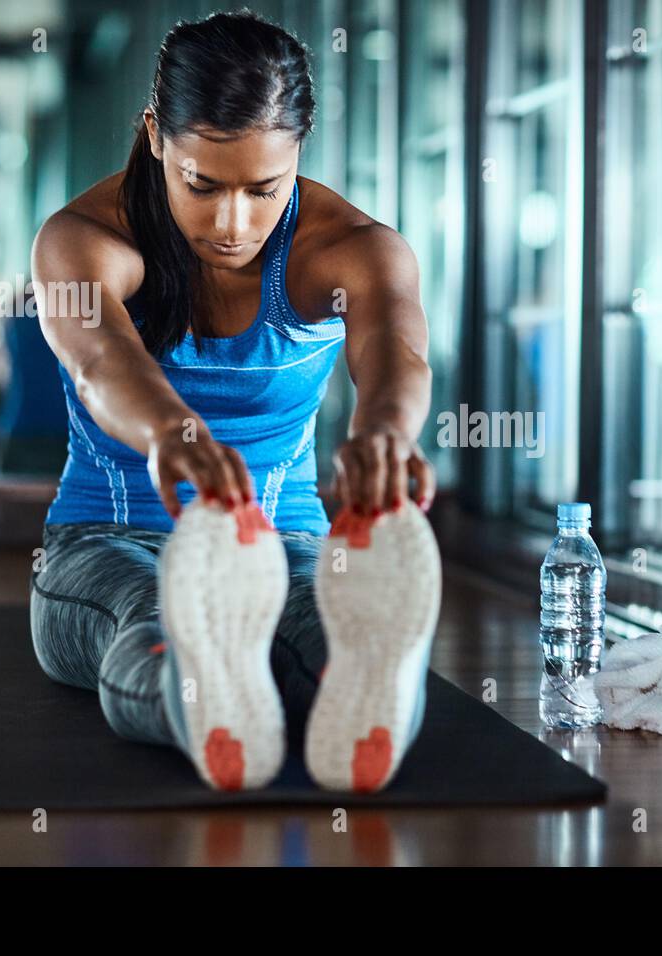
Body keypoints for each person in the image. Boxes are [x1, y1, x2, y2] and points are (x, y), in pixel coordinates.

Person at [27, 10, 439, 793]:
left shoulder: (349, 248)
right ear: (156, 136)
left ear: (299, 155)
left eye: (264, 188)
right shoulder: (84, 237)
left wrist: (386, 430)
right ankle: (208, 696)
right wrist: (168, 430)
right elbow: (98, 358)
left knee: (332, 631)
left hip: (283, 539)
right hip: (106, 540)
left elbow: (396, 345)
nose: (231, 223)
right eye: (202, 184)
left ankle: (364, 684)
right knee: (158, 624)